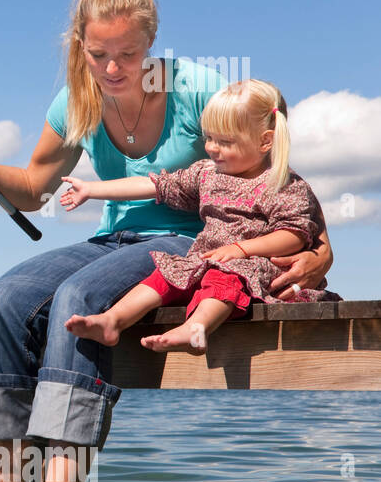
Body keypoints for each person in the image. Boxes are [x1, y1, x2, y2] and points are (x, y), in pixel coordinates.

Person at [0, 0, 335, 482]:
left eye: (129, 54)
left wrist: (320, 249)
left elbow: (271, 173)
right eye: (100, 55)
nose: (114, 68)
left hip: (190, 240)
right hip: (111, 237)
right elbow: (35, 191)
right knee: (0, 300)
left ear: (152, 42)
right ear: (80, 45)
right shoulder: (75, 100)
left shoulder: (199, 87)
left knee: (77, 297)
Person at [61, 79, 341, 354]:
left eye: (225, 141)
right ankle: (113, 321)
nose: (212, 147)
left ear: (265, 141)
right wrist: (92, 189)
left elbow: (292, 235)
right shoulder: (207, 174)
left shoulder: (282, 185)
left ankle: (196, 328)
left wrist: (241, 250)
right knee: (165, 274)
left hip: (253, 266)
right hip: (208, 258)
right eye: (208, 137)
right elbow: (156, 185)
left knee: (225, 278)